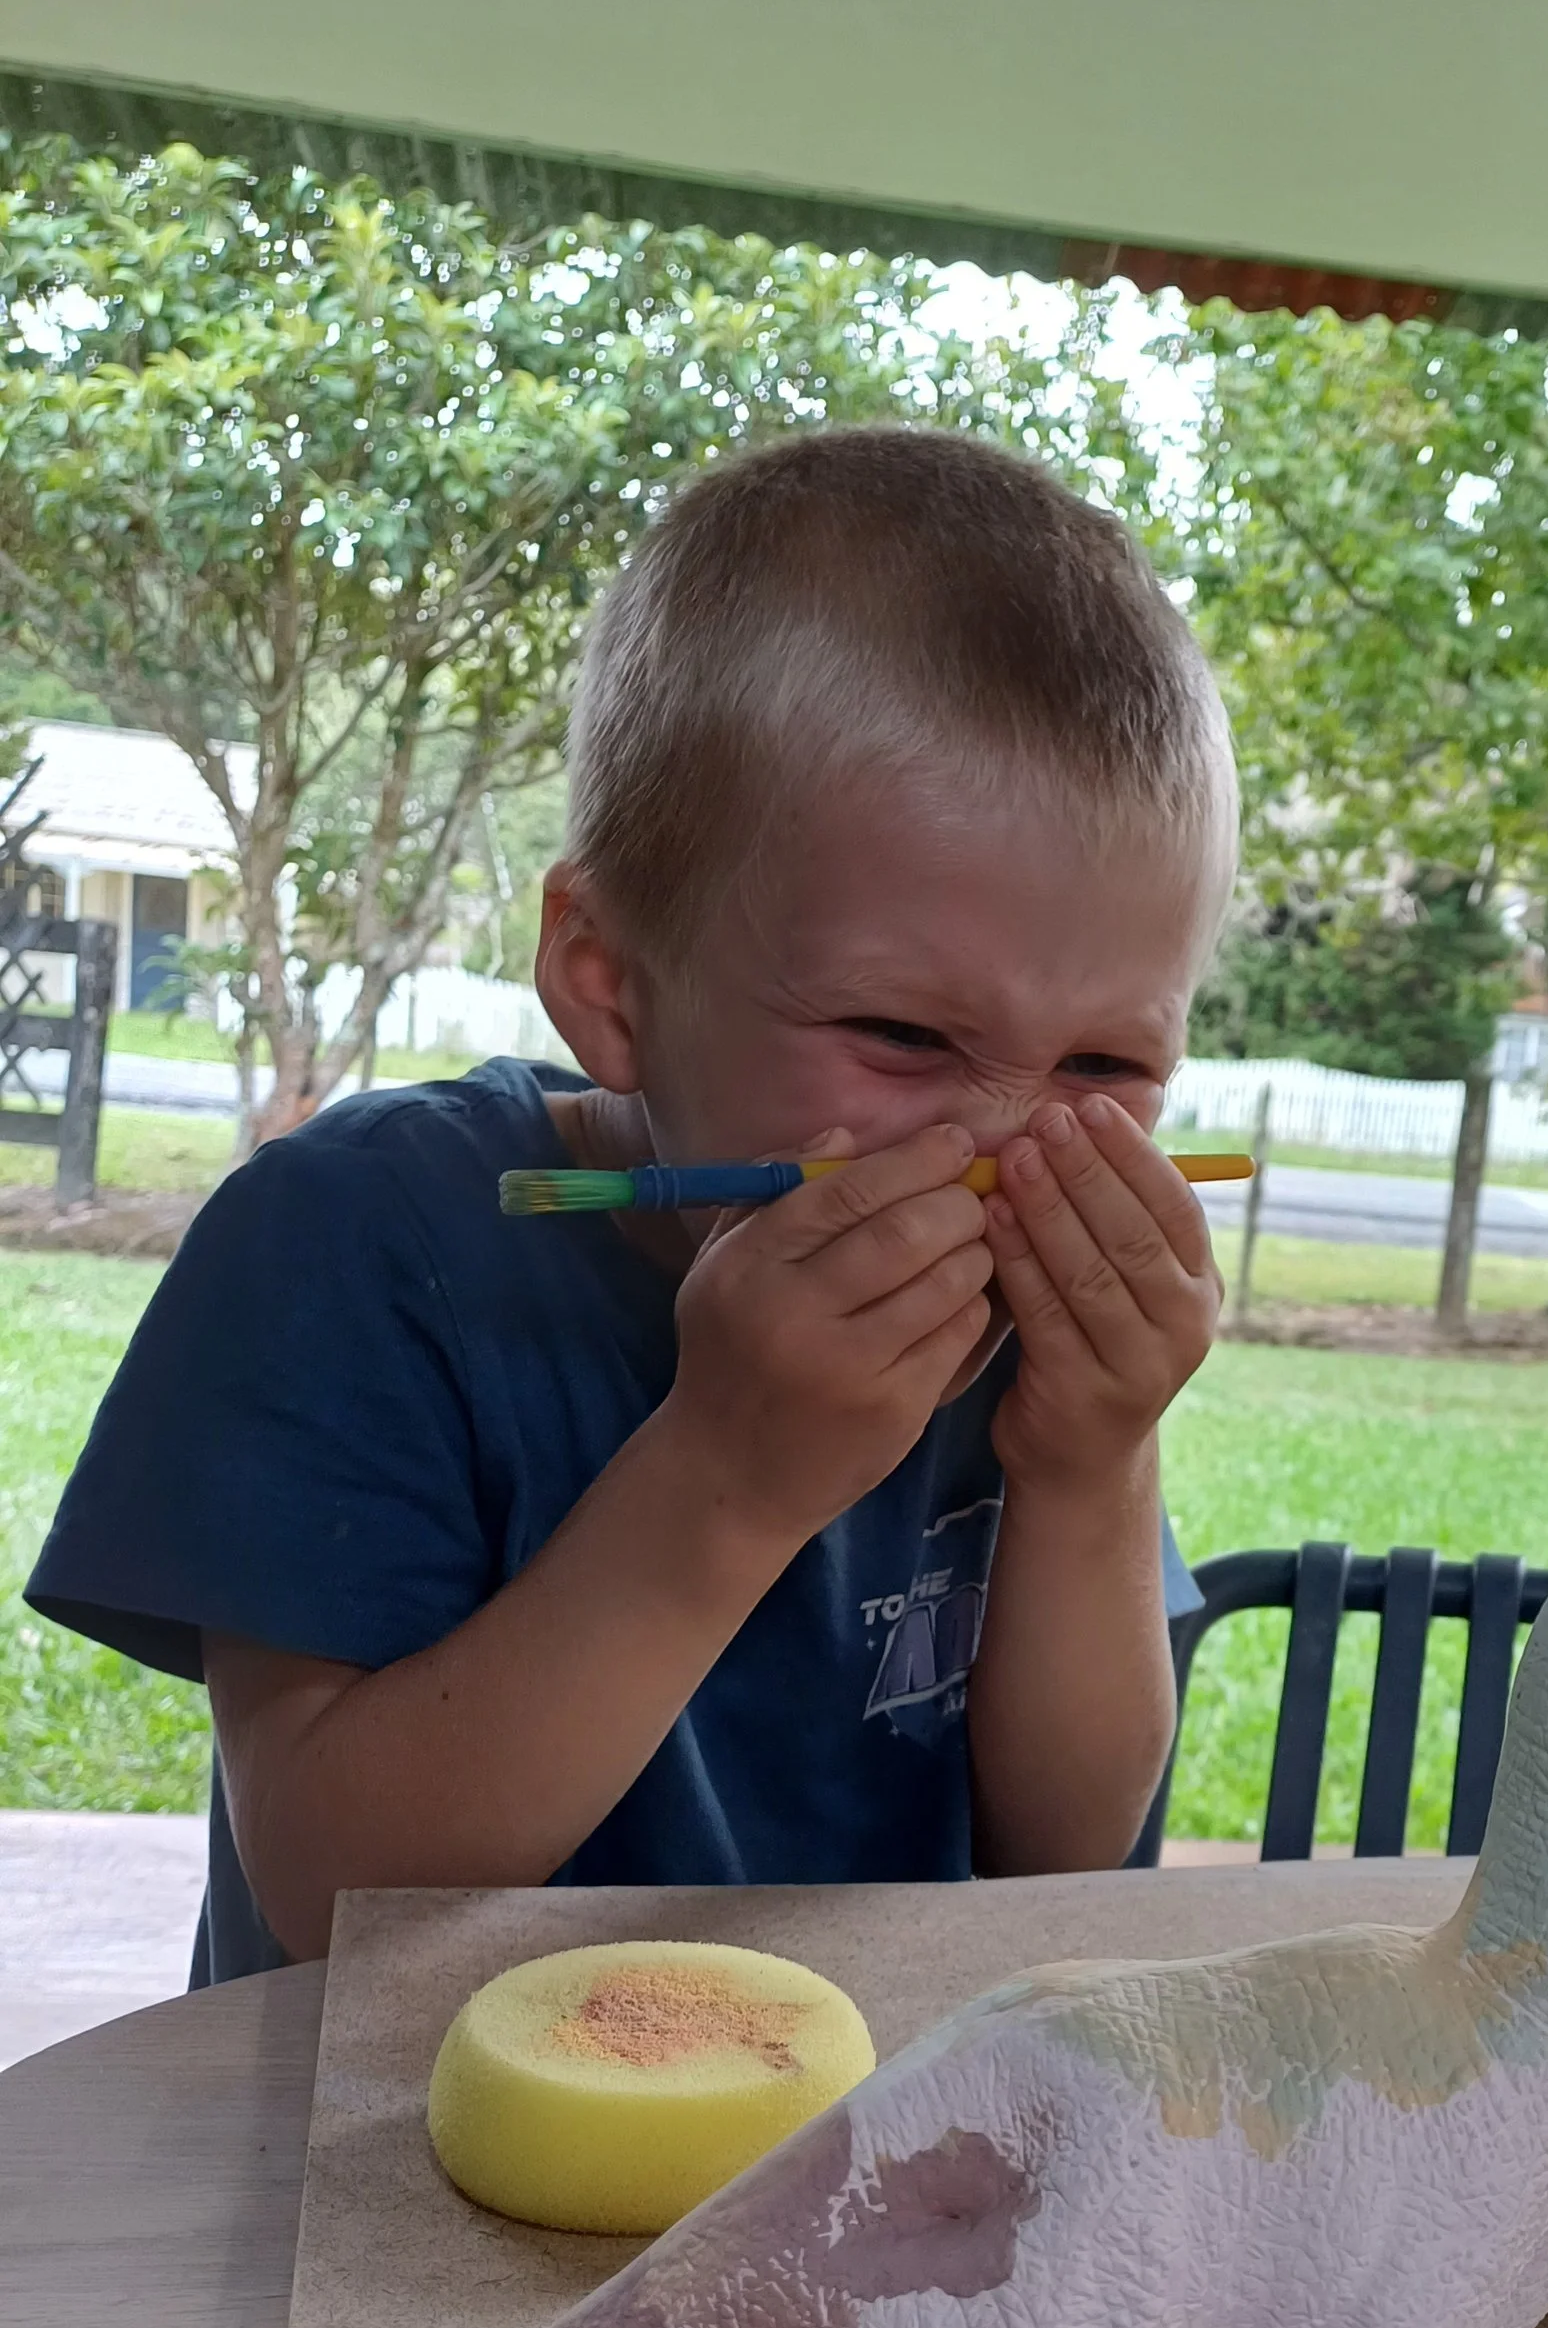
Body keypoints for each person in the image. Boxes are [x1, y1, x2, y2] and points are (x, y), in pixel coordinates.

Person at [30, 428, 1236, 1982]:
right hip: (411, 2165)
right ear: (611, 982)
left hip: (855, 2146)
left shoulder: (1030, 1340)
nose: (1008, 1144)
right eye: (904, 1038)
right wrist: (726, 1478)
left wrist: (1094, 1461)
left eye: (1108, 1062)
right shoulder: (359, 1245)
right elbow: (328, 1893)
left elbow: (1063, 1851)